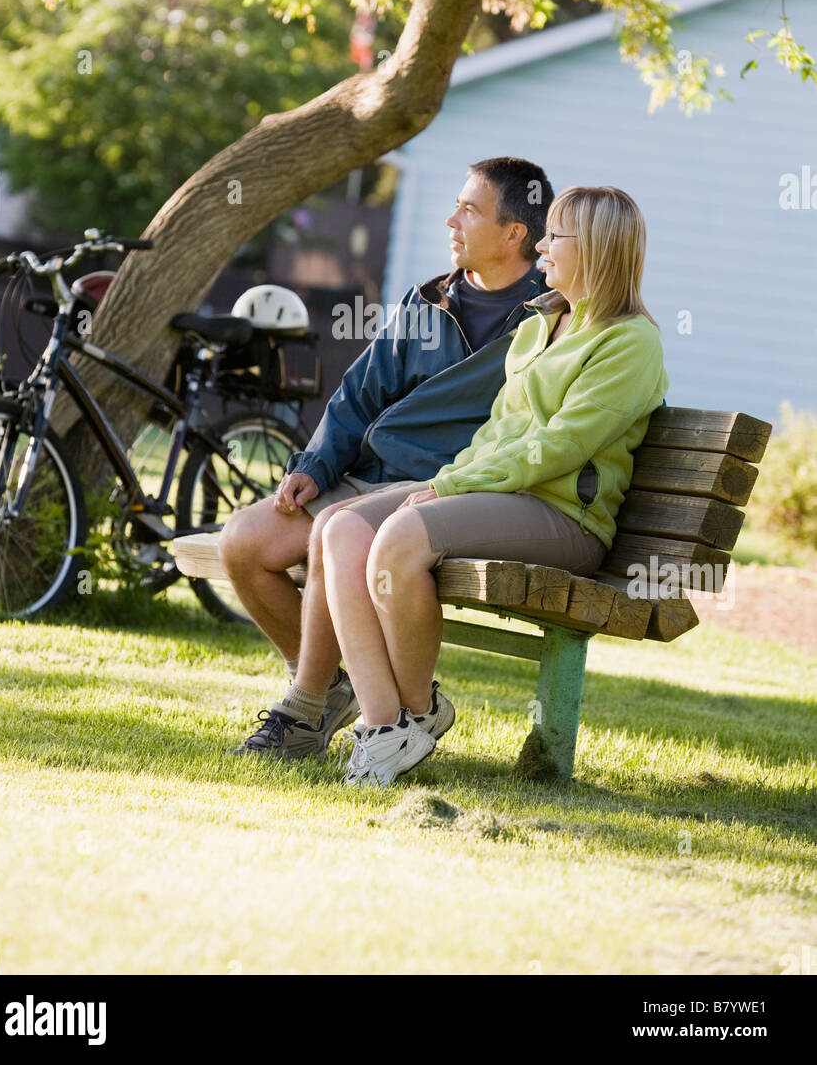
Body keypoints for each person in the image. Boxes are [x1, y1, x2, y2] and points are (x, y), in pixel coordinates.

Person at [319, 186, 669, 788]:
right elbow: (497, 433)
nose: (542, 245)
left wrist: (450, 485)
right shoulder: (540, 326)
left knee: (400, 538)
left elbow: (560, 448)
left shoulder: (630, 342)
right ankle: (386, 726)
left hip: (565, 518)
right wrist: (451, 482)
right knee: (341, 527)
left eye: (556, 235)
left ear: (596, 247)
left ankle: (417, 714)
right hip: (500, 497)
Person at [219, 157, 554, 758]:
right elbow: (359, 394)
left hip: (444, 493)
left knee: (332, 532)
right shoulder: (428, 301)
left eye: (469, 210)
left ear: (514, 233)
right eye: (455, 206)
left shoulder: (549, 319)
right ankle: (330, 687)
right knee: (243, 542)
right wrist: (315, 464)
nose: (451, 220)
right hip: (369, 477)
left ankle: (304, 710)